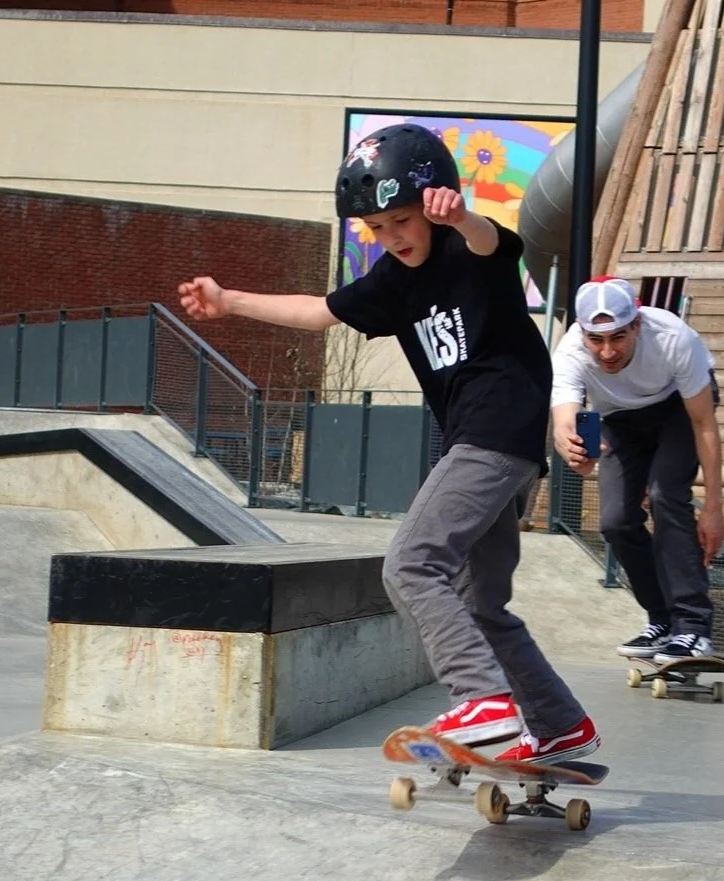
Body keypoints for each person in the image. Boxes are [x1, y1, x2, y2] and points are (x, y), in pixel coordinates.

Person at [178, 123, 599, 765]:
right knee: (480, 603)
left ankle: (483, 701)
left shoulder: (468, 251)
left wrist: (461, 217)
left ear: (433, 203)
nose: (392, 237)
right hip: (496, 451)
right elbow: (318, 311)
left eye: (401, 219)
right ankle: (560, 724)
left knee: (410, 563)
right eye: (377, 228)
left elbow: (493, 240)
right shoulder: (392, 283)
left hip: (494, 437)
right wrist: (229, 301)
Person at [550, 276, 724, 664]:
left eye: (618, 338)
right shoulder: (570, 352)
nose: (608, 352)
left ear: (637, 325)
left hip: (679, 410)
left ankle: (694, 627)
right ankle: (662, 621)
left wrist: (714, 508)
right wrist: (571, 446)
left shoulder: (674, 338)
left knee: (665, 496)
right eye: (596, 340)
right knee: (615, 521)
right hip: (621, 421)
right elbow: (564, 416)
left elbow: (705, 425)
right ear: (583, 334)